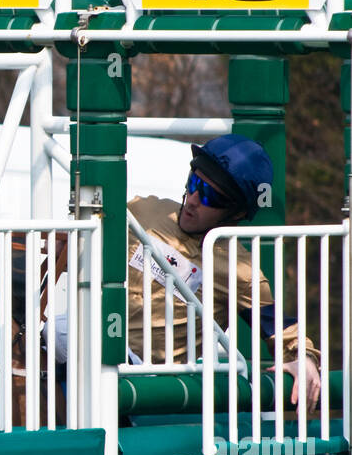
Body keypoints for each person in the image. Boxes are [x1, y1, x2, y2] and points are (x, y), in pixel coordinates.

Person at [127, 134, 321, 409]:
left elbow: (280, 328)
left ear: (234, 213)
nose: (193, 199)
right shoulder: (145, 210)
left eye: (210, 195)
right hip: (94, 341)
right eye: (193, 183)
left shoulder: (239, 270)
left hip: (146, 376)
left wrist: (305, 358)